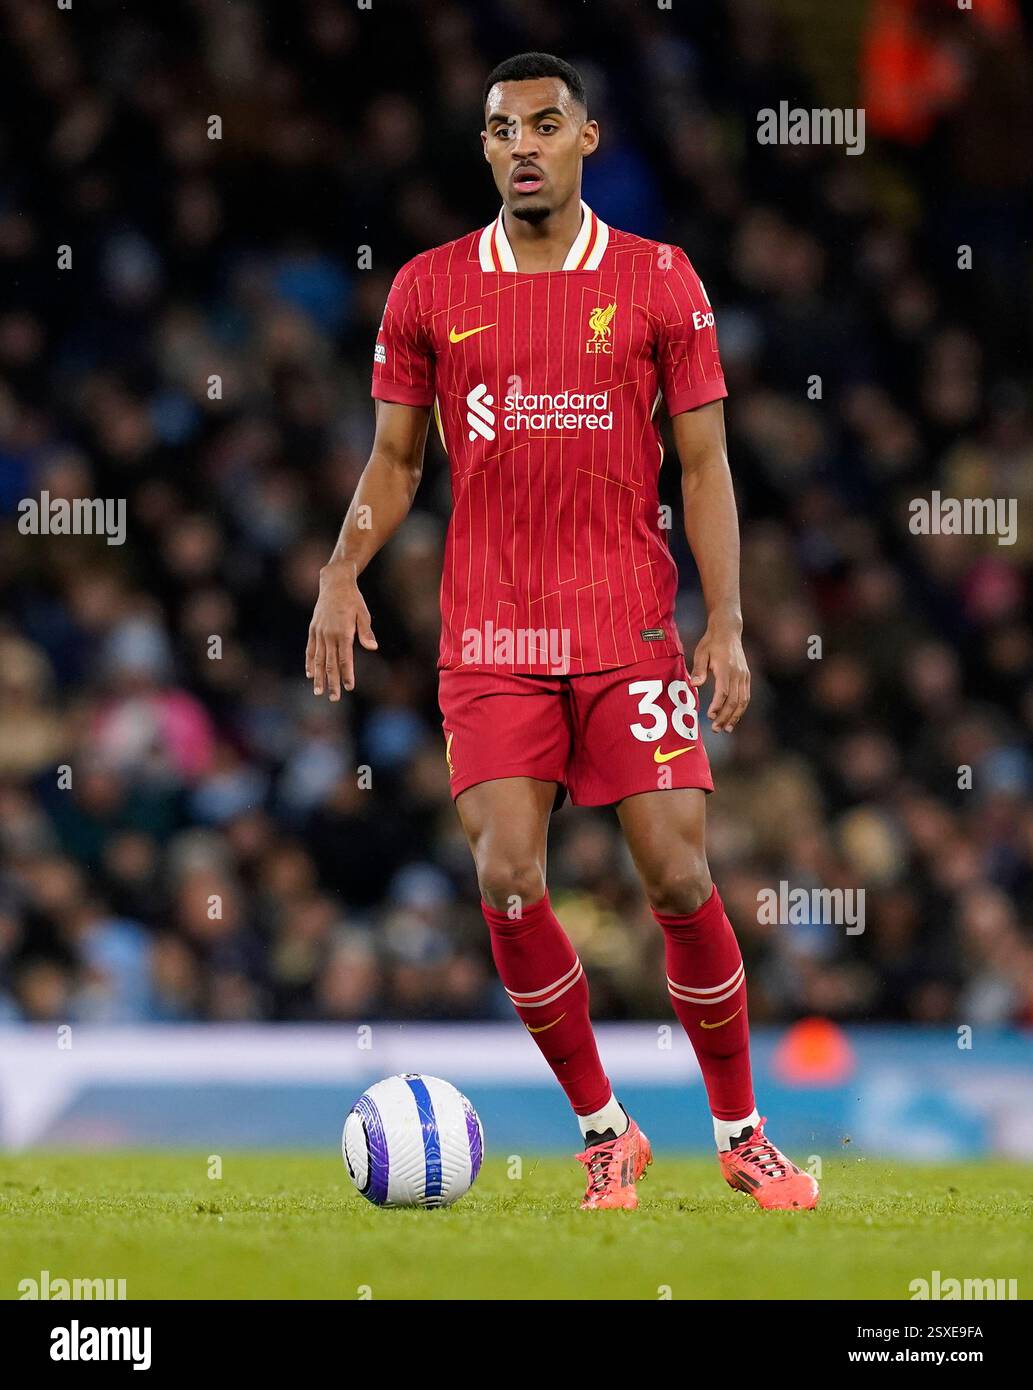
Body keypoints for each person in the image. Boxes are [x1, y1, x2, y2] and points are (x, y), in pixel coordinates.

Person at [307, 52, 818, 1212]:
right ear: (483, 148)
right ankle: (605, 1129)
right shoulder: (430, 290)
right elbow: (394, 460)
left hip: (628, 623)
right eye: (501, 129)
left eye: (546, 124)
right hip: (489, 632)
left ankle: (740, 1130)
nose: (522, 144)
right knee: (507, 876)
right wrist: (342, 568)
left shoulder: (659, 280)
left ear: (588, 138)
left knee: (681, 877)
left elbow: (704, 463)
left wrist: (725, 620)